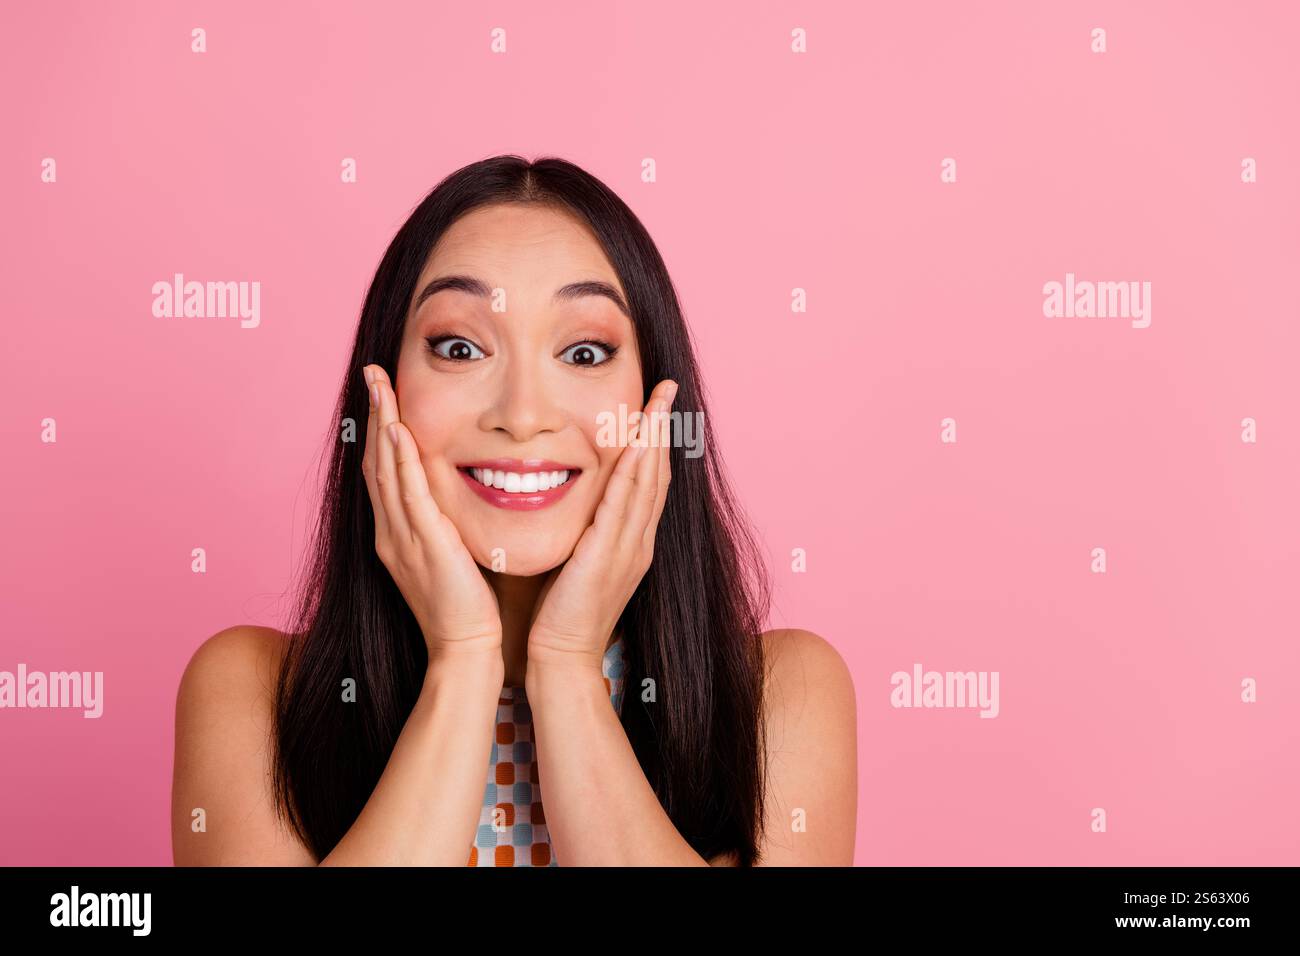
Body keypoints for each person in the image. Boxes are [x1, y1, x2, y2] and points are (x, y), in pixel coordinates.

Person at [171, 155, 857, 866]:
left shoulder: (785, 699)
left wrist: (566, 668)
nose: (523, 415)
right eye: (460, 348)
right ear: (383, 395)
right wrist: (461, 659)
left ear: (655, 402)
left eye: (586, 351)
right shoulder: (250, 695)